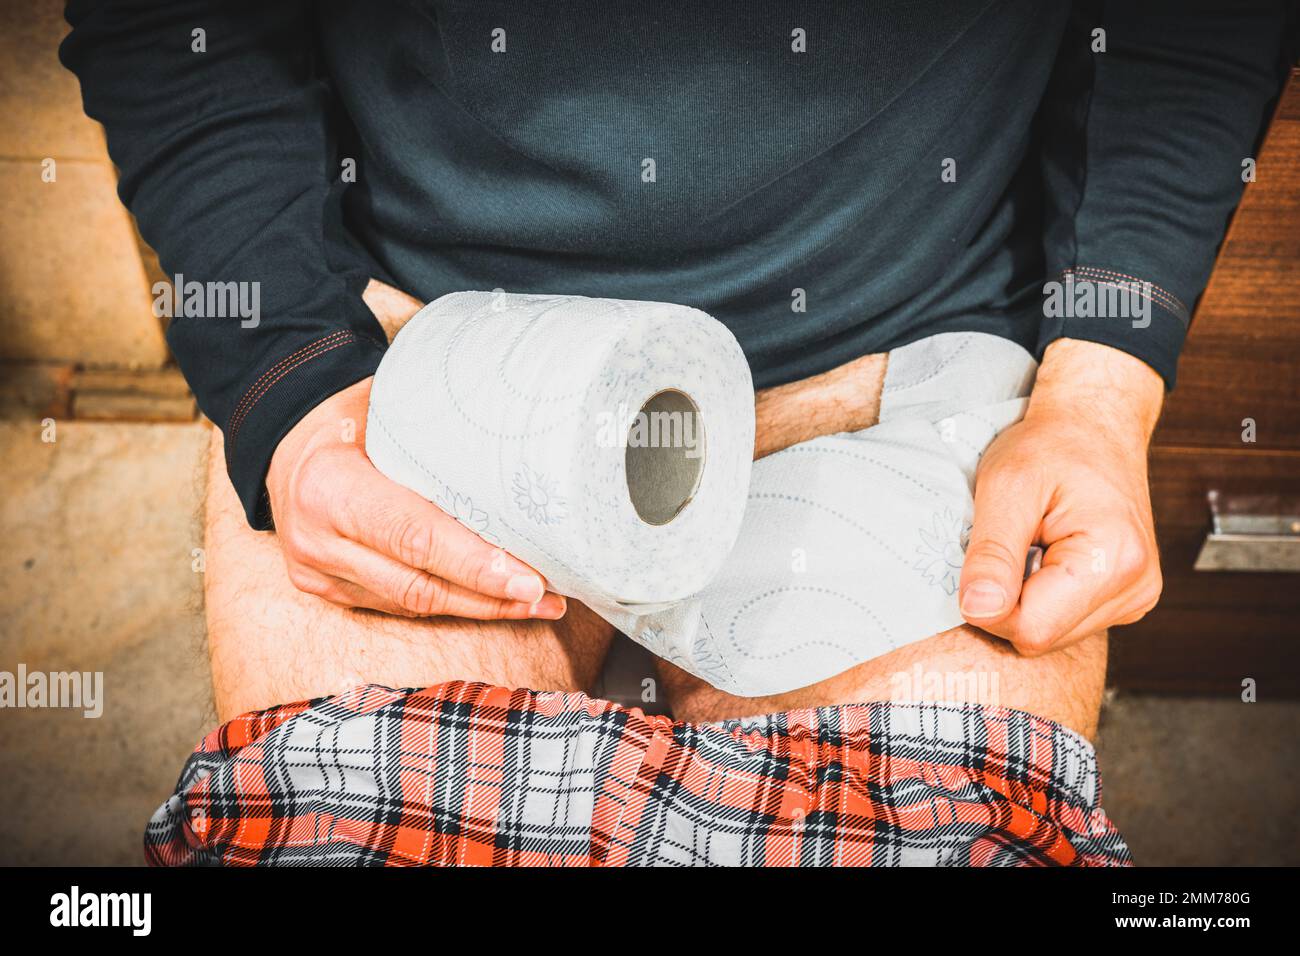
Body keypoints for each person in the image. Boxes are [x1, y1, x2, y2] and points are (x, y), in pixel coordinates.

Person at [63, 1, 1290, 866]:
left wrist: (1098, 390)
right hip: (427, 374)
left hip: (891, 374)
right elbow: (178, 21)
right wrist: (288, 378)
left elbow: (1192, 21)